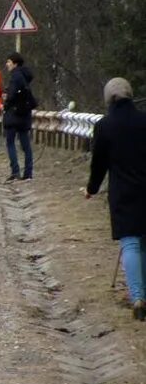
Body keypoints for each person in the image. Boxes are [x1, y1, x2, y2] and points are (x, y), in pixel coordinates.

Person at [85, 78, 146, 321]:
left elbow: (98, 162)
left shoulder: (105, 125)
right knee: (144, 242)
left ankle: (138, 297)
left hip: (123, 190)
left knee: (130, 242)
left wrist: (92, 187)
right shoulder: (144, 121)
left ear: (108, 98)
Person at [2, 52, 36, 181]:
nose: (7, 64)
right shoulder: (25, 76)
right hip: (25, 114)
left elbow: (12, 96)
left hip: (13, 114)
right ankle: (28, 173)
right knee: (25, 144)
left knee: (10, 142)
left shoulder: (15, 76)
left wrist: (6, 100)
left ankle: (15, 171)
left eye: (9, 62)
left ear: (15, 63)